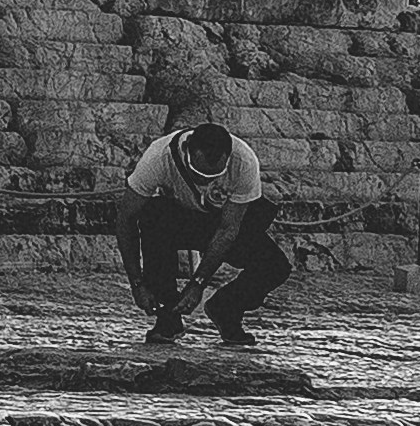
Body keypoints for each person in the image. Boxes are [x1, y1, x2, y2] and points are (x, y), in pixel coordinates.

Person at [118, 110, 292, 347]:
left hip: (222, 220)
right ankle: (167, 315)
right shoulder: (157, 158)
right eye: (198, 173)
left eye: (214, 175)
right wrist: (137, 284)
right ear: (188, 148)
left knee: (275, 266)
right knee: (153, 220)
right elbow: (126, 219)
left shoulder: (245, 162)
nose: (205, 182)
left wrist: (198, 283)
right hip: (179, 218)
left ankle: (227, 307)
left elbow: (228, 230)